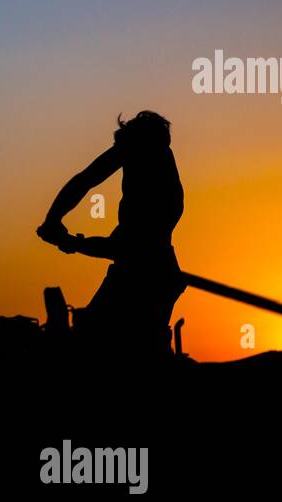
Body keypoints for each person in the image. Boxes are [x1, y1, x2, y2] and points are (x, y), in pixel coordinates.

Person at [36, 111, 186, 356]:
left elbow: (125, 248)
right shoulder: (154, 170)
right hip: (147, 274)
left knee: (97, 344)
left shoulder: (159, 198)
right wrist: (55, 221)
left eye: (125, 150)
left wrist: (71, 241)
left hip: (143, 280)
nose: (118, 156)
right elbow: (87, 180)